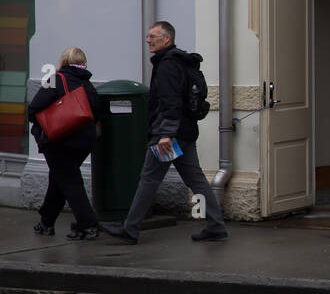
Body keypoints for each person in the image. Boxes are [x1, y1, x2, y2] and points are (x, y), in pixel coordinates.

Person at [103, 21, 227, 244]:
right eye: (148, 36)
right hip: (184, 132)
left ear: (166, 39)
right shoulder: (179, 61)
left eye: (153, 36)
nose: (148, 40)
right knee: (195, 179)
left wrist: (165, 134)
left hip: (170, 136)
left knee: (149, 178)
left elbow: (170, 102)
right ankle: (216, 225)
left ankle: (130, 229)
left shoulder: (168, 65)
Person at [28, 47, 104, 240]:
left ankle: (88, 225)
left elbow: (34, 108)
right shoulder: (87, 84)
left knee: (70, 182)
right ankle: (46, 222)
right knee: (59, 179)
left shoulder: (55, 79)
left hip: (59, 141)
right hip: (84, 142)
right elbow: (96, 112)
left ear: (63, 61)